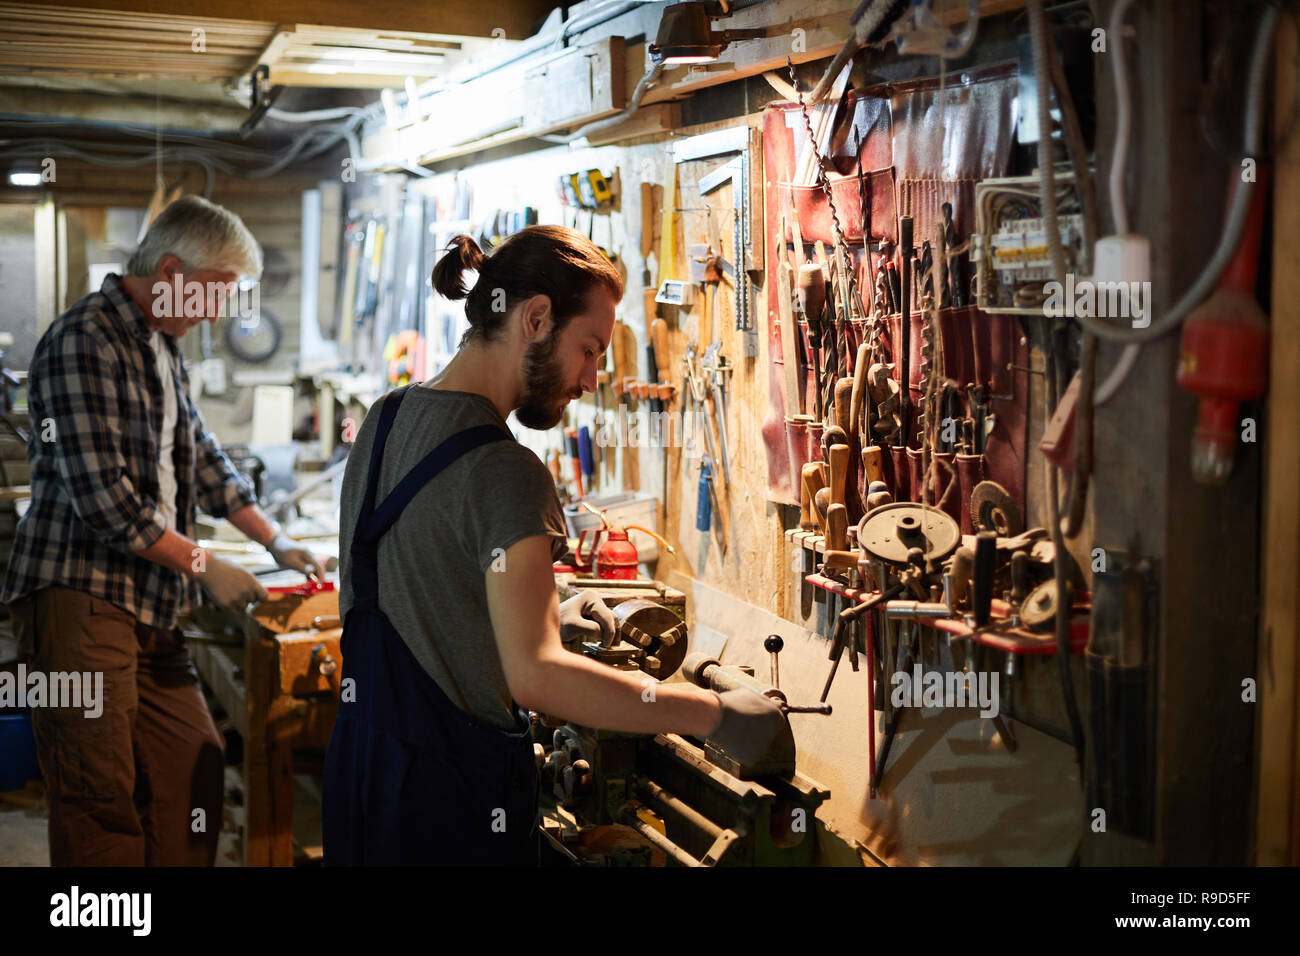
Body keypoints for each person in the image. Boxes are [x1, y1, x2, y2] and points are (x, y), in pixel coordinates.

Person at [323, 225, 786, 866]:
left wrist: (537, 614)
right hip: (451, 811)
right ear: (536, 318)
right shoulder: (506, 470)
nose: (591, 379)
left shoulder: (384, 417)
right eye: (590, 349)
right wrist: (712, 713)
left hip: (362, 780)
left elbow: (410, 590)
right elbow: (537, 677)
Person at [2, 196, 321, 866]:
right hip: (81, 602)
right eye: (216, 293)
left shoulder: (160, 344)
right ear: (172, 269)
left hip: (150, 606)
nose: (217, 313)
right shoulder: (84, 340)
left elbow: (203, 459)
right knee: (101, 803)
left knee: (194, 768)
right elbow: (107, 501)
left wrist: (273, 541)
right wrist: (207, 566)